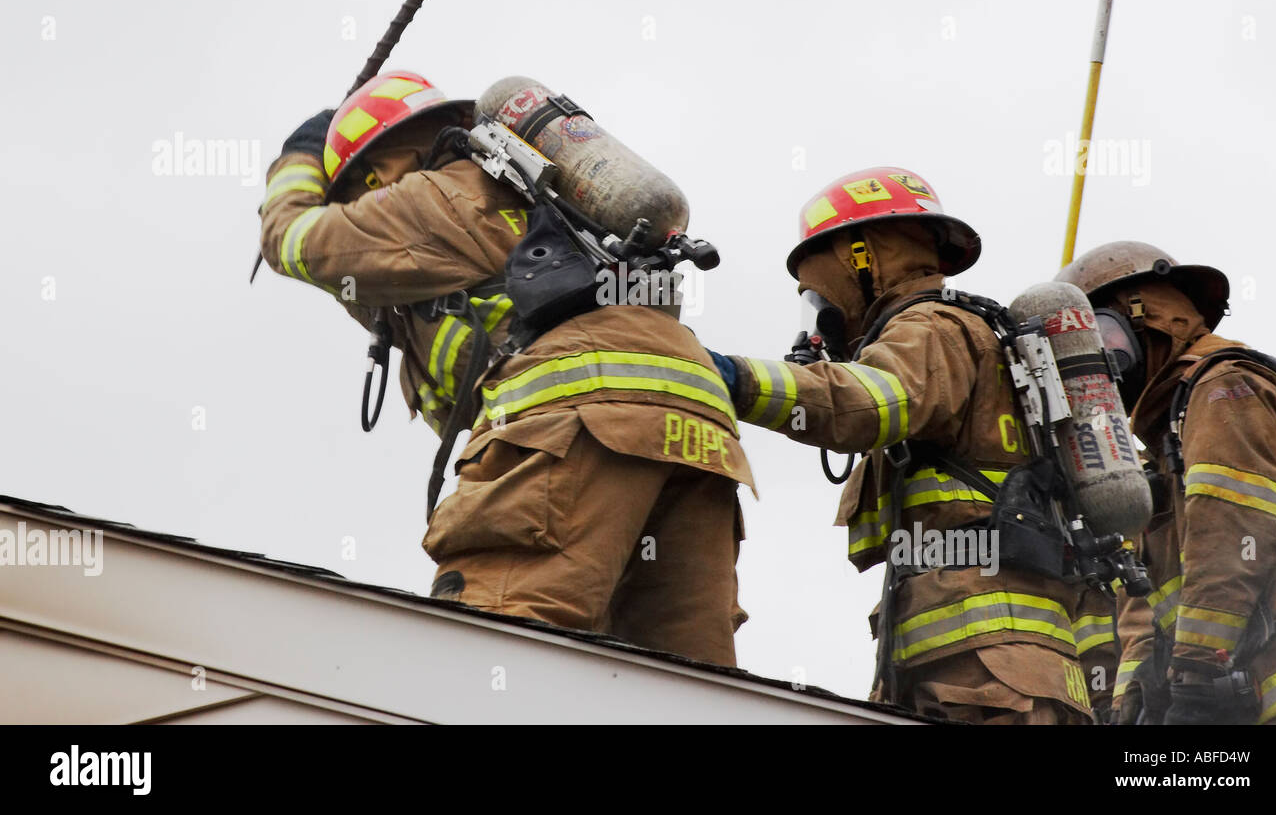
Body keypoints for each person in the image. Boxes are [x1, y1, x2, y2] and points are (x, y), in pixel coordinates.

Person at [259, 70, 754, 666]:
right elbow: (379, 295)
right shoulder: (532, 197)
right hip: (693, 431)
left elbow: (292, 241)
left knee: (502, 648)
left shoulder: (426, 198)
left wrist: (300, 156)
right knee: (686, 685)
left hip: (573, 423)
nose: (359, 210)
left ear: (376, 171)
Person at [710, 167, 1094, 723]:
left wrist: (733, 378)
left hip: (989, 672)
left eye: (816, 294)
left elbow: (870, 402)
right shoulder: (964, 332)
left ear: (859, 257)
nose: (819, 318)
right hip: (972, 662)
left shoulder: (933, 326)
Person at [1058, 241, 1276, 724]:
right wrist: (1131, 704)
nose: (1097, 366)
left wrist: (1196, 672)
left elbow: (1233, 534)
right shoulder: (1167, 442)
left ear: (1145, 319)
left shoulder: (1223, 390)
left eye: (1099, 340)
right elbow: (1148, 602)